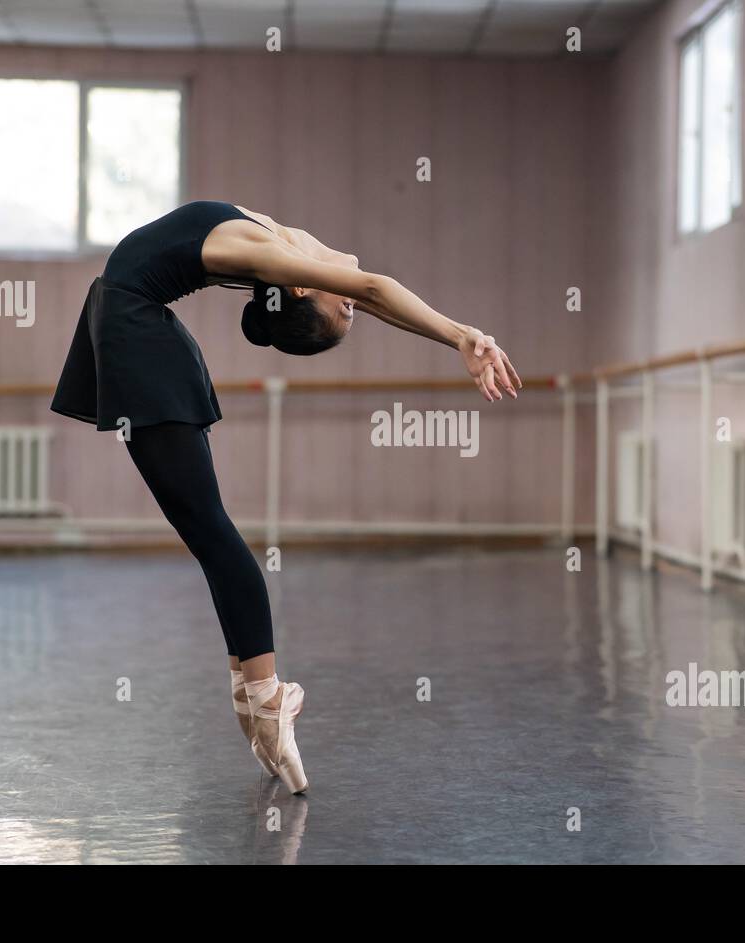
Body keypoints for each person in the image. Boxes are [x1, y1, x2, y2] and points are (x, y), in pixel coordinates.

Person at [50, 200, 521, 794]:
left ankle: (255, 691)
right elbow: (372, 285)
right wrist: (461, 335)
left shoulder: (273, 256)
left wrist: (455, 337)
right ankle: (262, 696)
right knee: (210, 532)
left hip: (133, 329)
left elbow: (368, 287)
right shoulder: (266, 254)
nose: (351, 300)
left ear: (298, 290)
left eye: (342, 307)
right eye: (346, 308)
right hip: (132, 331)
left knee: (209, 533)